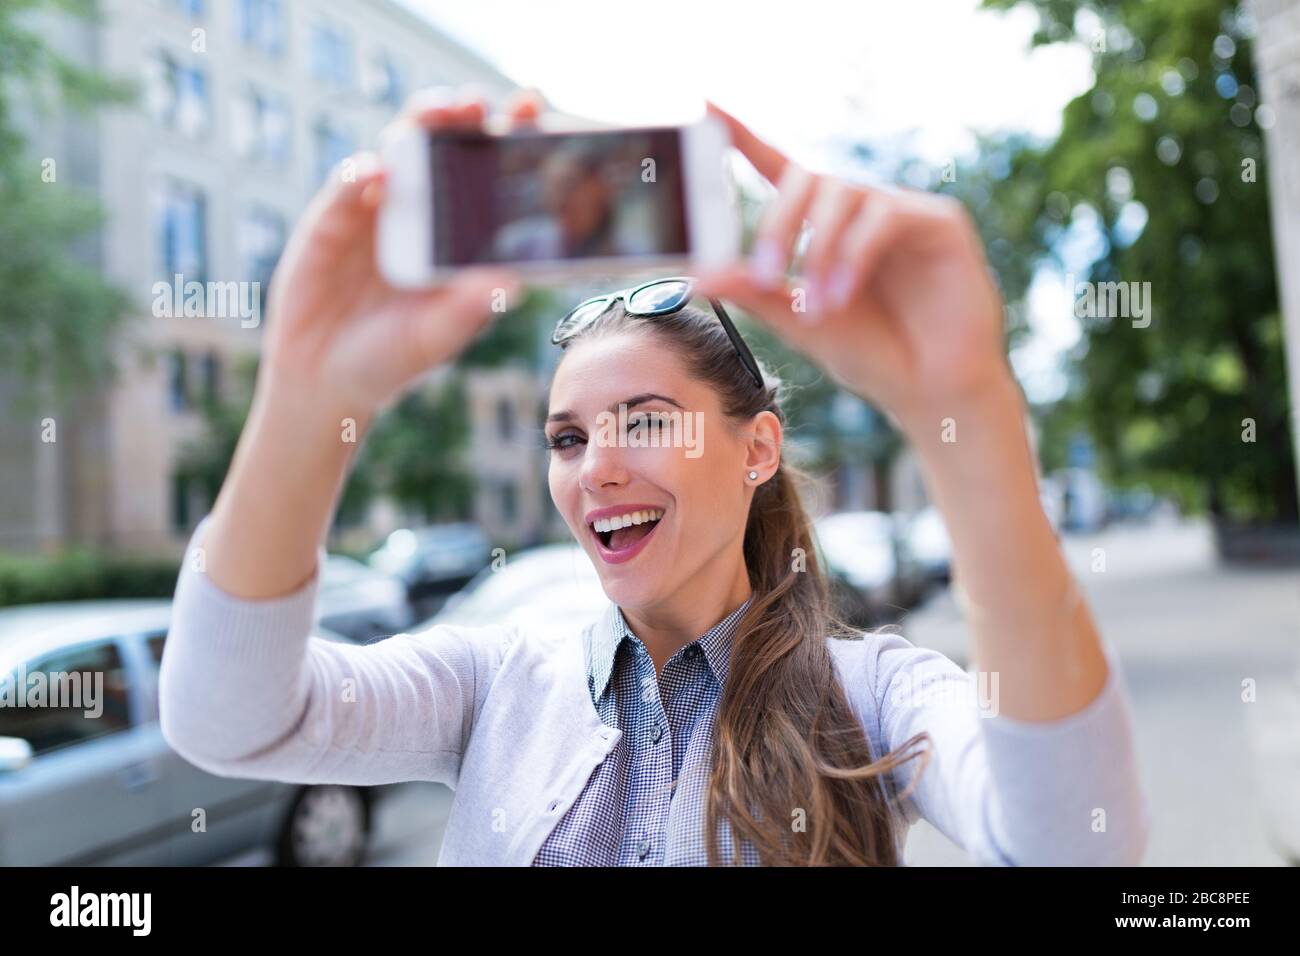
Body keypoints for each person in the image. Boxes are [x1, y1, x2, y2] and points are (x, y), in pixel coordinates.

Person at [158, 86, 1149, 866]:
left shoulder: (872, 693)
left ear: (757, 449)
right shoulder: (492, 682)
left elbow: (1078, 840)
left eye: (644, 419)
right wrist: (302, 394)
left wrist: (967, 409)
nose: (597, 467)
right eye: (566, 436)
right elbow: (230, 719)